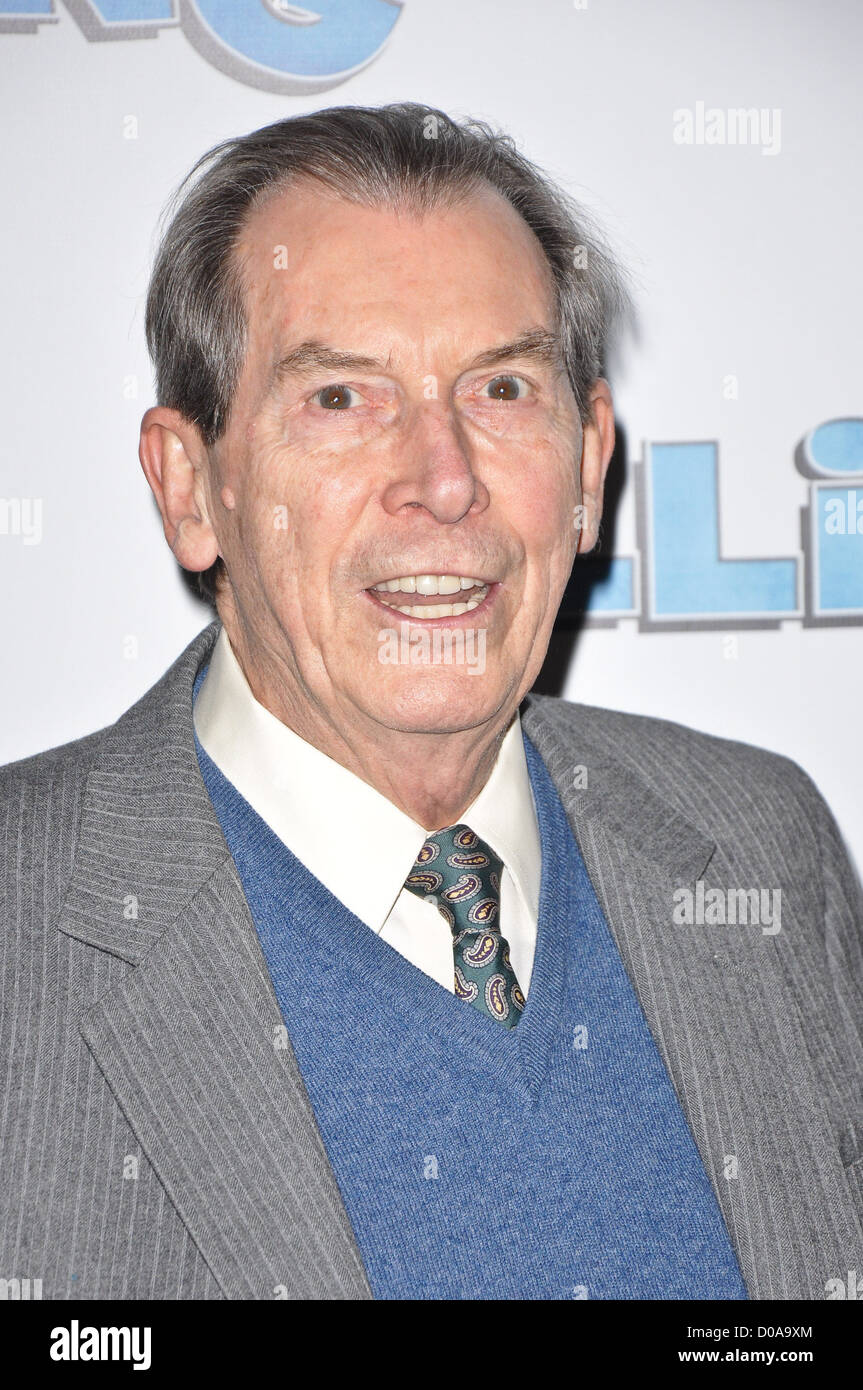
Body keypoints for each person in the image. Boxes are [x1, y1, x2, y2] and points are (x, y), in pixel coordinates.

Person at [1, 104, 861, 1301]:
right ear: (191, 486)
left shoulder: (762, 846)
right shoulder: (18, 920)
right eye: (341, 400)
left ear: (588, 467)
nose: (443, 481)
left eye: (501, 388)